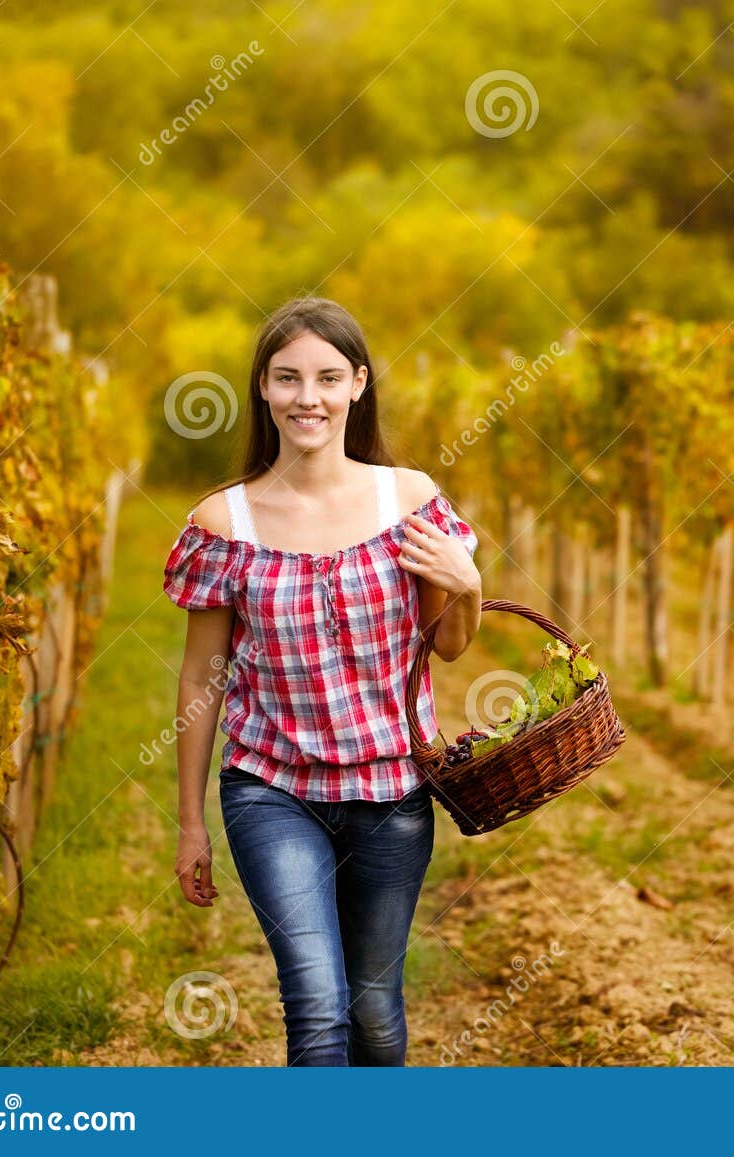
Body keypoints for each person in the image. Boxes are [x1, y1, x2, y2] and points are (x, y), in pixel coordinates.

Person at [162, 297, 482, 1065]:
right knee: (315, 1004)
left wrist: (467, 584)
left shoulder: (406, 500)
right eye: (288, 378)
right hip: (272, 789)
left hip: (392, 792)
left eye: (328, 377)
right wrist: (189, 820)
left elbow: (449, 647)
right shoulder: (224, 522)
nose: (309, 397)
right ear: (263, 390)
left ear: (358, 385)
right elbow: (201, 677)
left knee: (373, 1009)